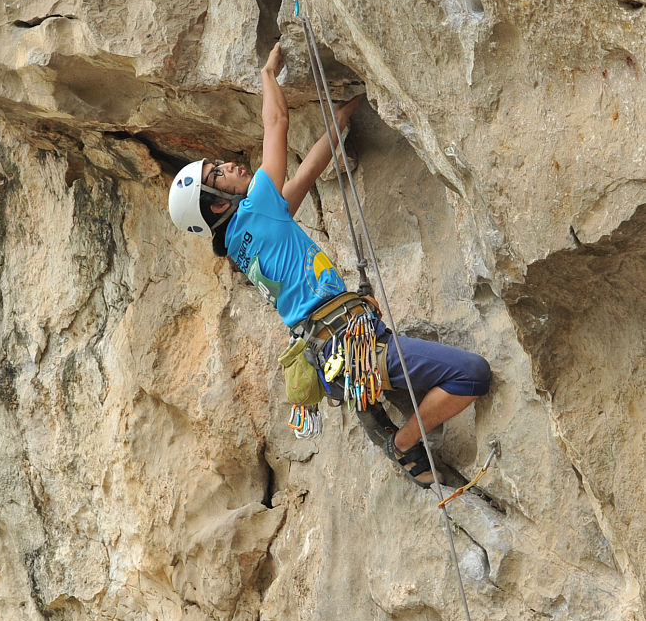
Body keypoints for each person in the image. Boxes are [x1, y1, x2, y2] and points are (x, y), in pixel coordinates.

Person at [168, 42, 491, 487]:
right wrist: (267, 74)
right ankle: (402, 444)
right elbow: (276, 122)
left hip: (331, 354)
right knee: (471, 375)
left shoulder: (251, 234)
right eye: (216, 175)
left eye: (216, 164)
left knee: (434, 374)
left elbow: (304, 176)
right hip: (353, 344)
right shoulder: (255, 209)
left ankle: (384, 418)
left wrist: (344, 117)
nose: (227, 166)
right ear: (216, 207)